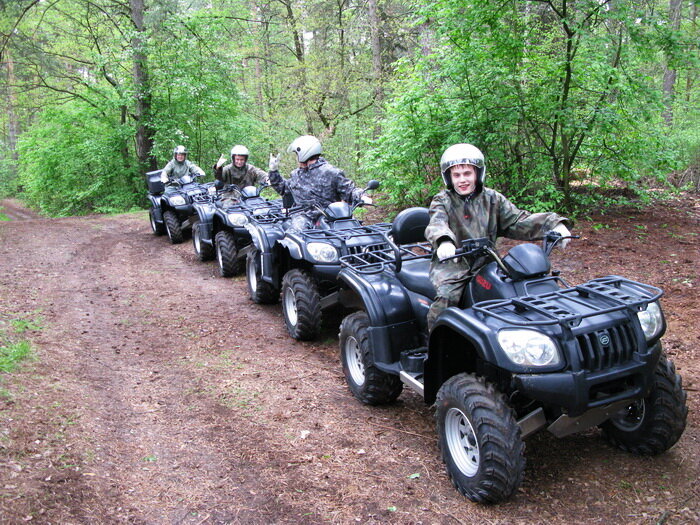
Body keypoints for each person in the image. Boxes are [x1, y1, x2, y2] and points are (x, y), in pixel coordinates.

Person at [425, 143, 572, 330]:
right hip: (453, 265)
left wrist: (553, 224)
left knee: (516, 290)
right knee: (447, 297)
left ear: (478, 173)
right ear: (448, 177)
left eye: (467, 173)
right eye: (457, 175)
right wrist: (444, 241)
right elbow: (437, 224)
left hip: (488, 261)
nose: (462, 180)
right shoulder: (442, 200)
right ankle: (436, 340)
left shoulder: (492, 198)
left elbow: (517, 220)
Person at [268, 135, 371, 230]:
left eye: (296, 154)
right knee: (296, 234)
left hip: (330, 217)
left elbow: (349, 190)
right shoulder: (296, 174)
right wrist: (273, 172)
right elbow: (283, 188)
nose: (296, 159)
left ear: (303, 153)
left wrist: (361, 195)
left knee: (355, 231)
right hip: (302, 217)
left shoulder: (331, 172)